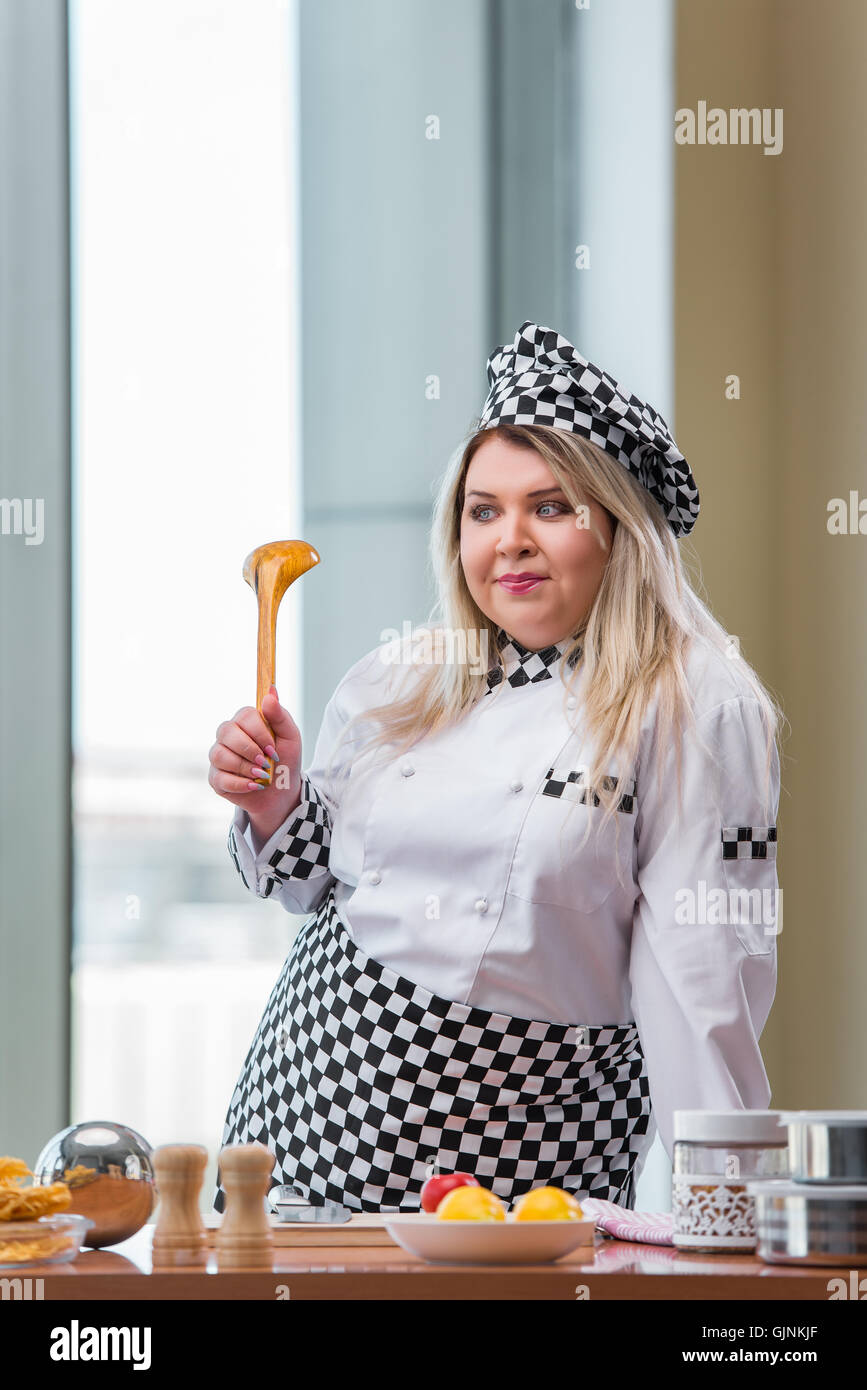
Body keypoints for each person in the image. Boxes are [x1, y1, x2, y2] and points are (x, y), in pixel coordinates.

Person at [208, 320, 785, 1214]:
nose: (507, 540)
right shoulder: (403, 673)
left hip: (516, 1186)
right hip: (289, 1147)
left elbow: (702, 977)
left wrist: (733, 1222)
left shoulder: (699, 704)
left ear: (621, 528)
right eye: (484, 510)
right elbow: (306, 881)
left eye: (549, 507)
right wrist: (276, 803)